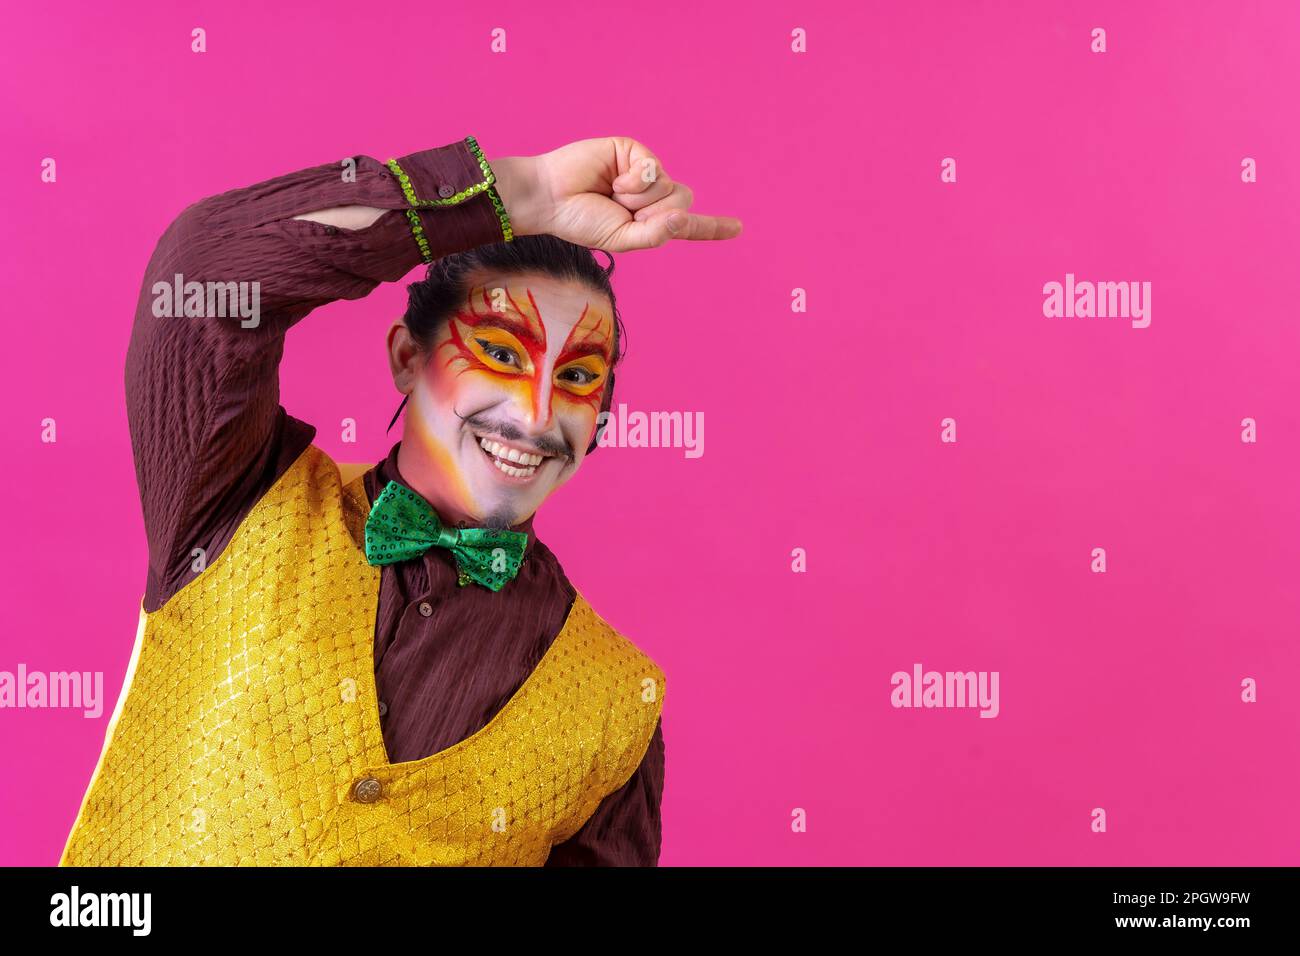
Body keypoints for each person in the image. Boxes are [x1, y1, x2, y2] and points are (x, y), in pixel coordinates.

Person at [58, 135, 742, 866]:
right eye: (503, 355)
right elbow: (200, 271)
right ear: (405, 357)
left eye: (577, 379)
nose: (537, 417)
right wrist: (522, 193)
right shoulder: (235, 496)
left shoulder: (616, 705)